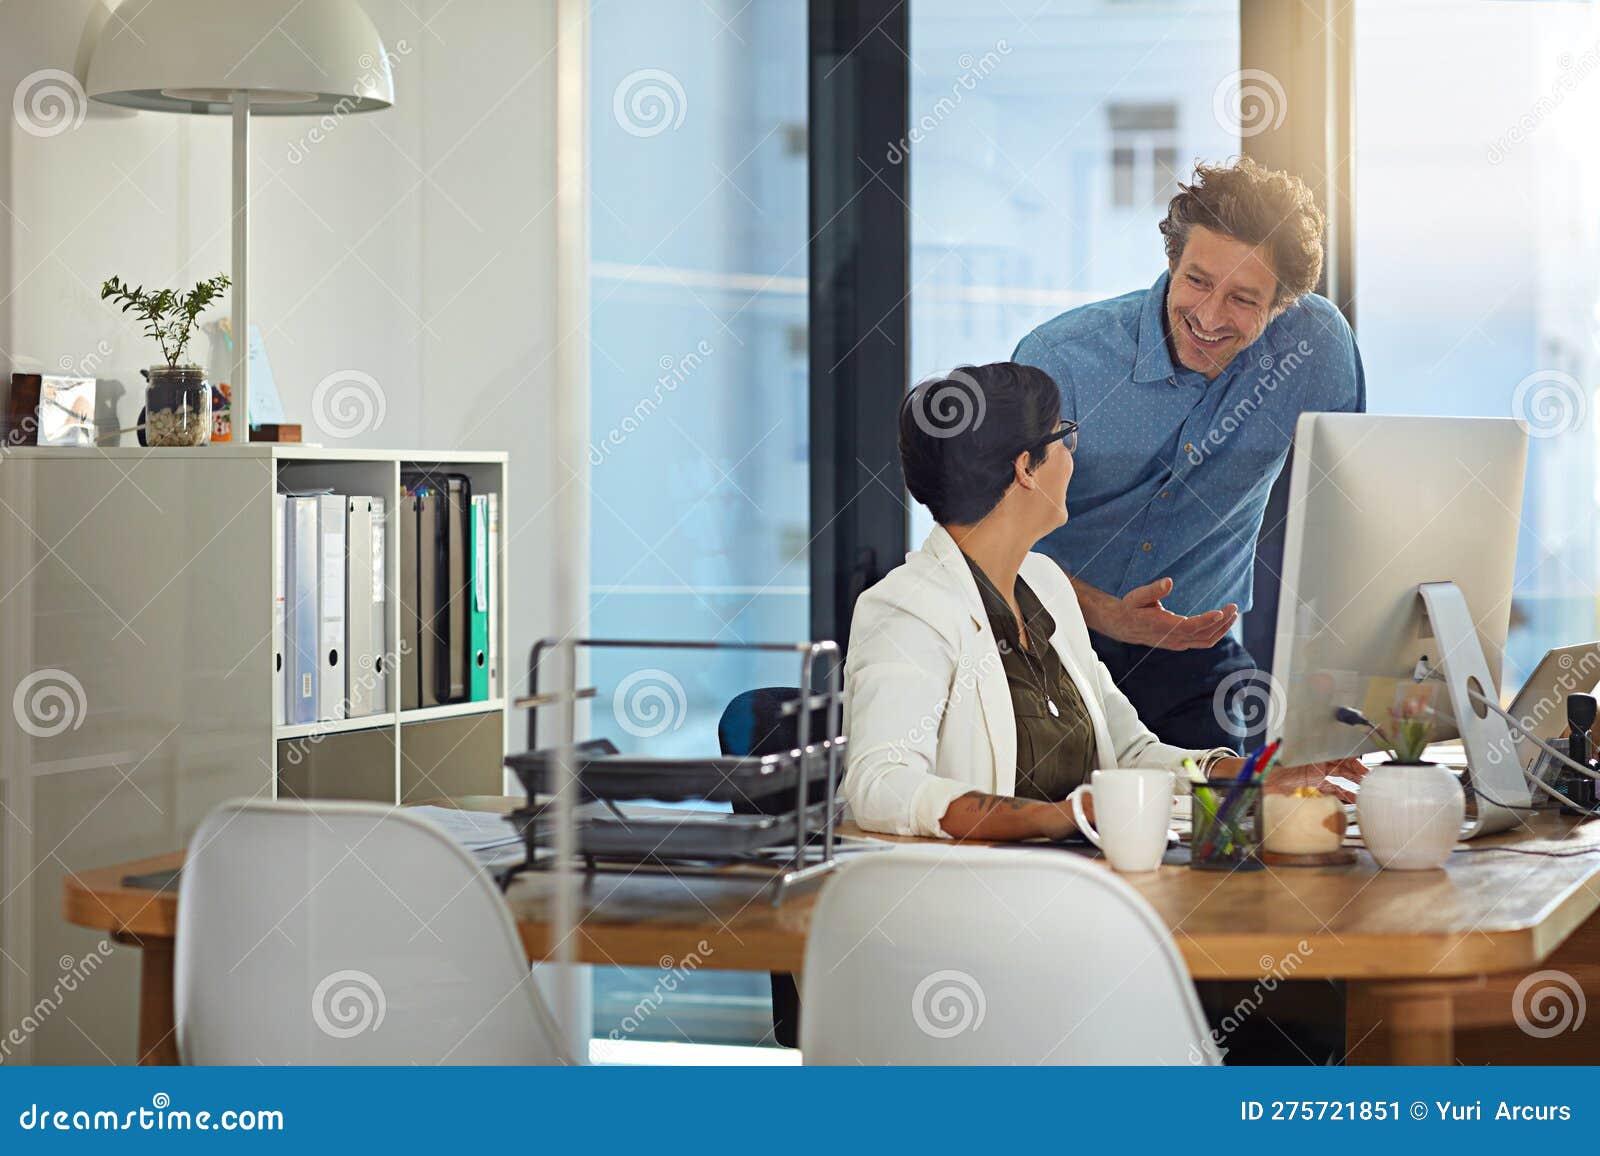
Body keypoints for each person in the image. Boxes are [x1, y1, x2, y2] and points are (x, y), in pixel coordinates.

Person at [842, 361, 1364, 843]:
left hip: (1092, 883)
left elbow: (1133, 754)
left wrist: (1257, 778)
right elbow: (880, 784)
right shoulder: (906, 610)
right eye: (1064, 437)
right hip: (990, 900)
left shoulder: (1045, 587)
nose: (1073, 455)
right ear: (1025, 468)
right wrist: (1057, 817)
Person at [1013, 157, 1365, 752]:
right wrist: (1110, 616)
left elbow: (1349, 507)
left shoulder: (1315, 349)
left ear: (1282, 305)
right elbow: (986, 544)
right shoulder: (1061, 359)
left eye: (1244, 300)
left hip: (1200, 660)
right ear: (1172, 262)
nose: (1208, 317)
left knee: (1250, 811)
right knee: (1068, 819)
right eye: (1198, 281)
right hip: (1051, 643)